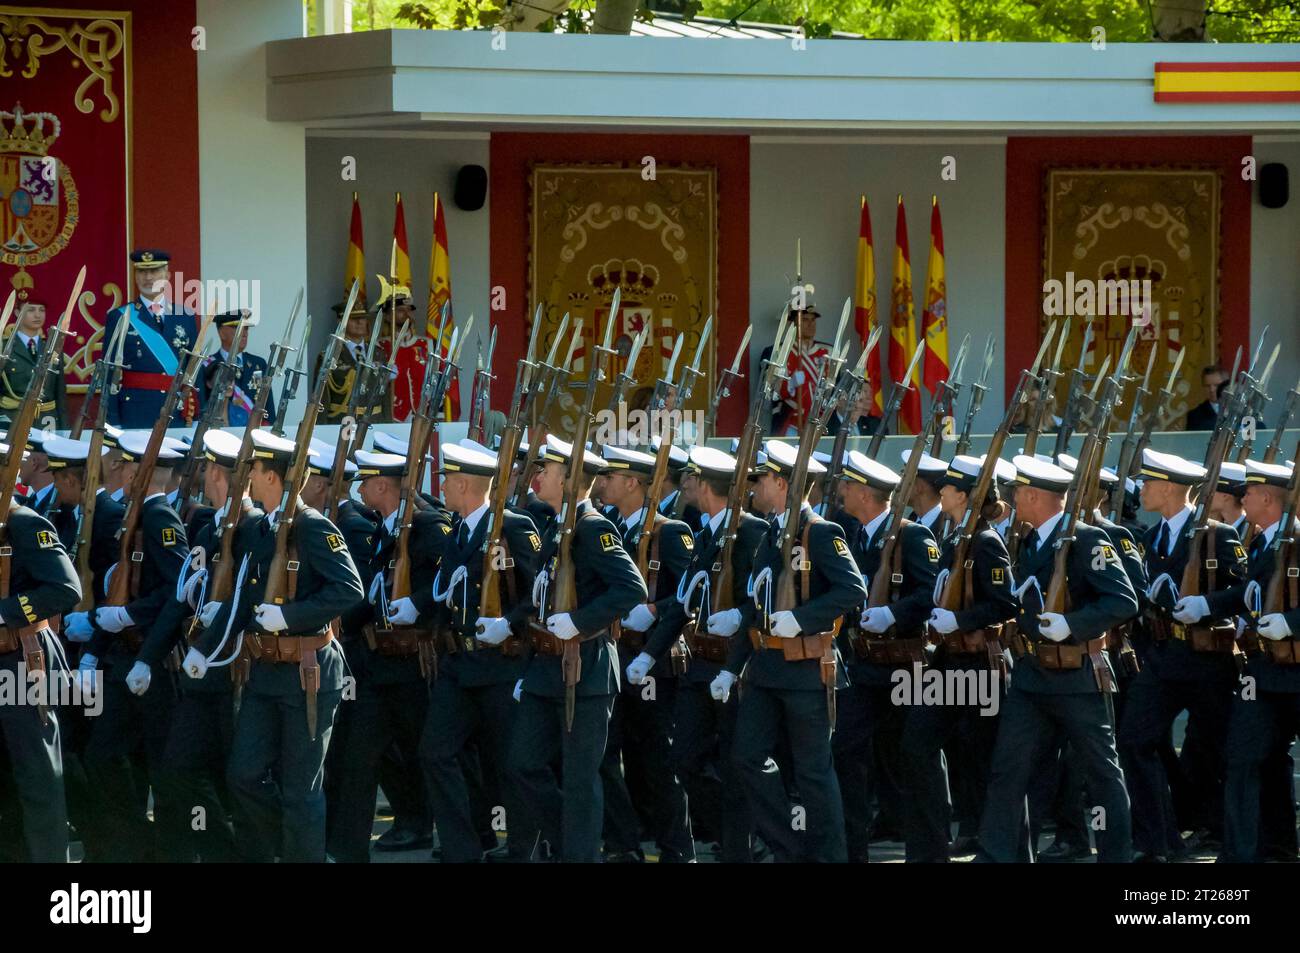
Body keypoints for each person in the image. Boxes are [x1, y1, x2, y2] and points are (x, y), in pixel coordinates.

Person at [184, 429, 364, 862]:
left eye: (255, 469)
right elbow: (243, 599)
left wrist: (292, 615)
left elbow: (350, 590)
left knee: (302, 791)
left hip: (308, 672)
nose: (246, 477)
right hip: (266, 673)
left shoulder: (313, 527)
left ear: (272, 477)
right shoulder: (264, 528)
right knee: (244, 774)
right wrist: (205, 647)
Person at [975, 455, 1138, 863]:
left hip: (1076, 676)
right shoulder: (1031, 540)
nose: (1012, 501)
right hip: (1032, 676)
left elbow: (1123, 600)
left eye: (1017, 493)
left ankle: (1116, 856)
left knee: (1102, 773)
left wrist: (1074, 625)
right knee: (1008, 767)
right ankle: (998, 855)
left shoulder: (1086, 540)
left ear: (1033, 495)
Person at [506, 436, 647, 863]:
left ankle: (581, 853)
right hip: (547, 669)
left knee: (582, 779)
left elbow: (631, 587)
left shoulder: (592, 526)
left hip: (586, 669)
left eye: (545, 472)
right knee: (522, 764)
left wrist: (583, 621)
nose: (536, 478)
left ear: (568, 480)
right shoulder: (555, 525)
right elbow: (543, 596)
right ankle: (569, 840)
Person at [727, 439, 867, 863]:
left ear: (783, 483)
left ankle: (829, 857)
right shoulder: (769, 532)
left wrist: (804, 618)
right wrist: (732, 669)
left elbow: (853, 589)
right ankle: (789, 847)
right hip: (767, 668)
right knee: (747, 757)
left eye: (761, 480)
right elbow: (756, 607)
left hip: (807, 669)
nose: (753, 488)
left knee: (813, 773)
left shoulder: (821, 532)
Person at [319, 443, 449, 863]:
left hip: (414, 666)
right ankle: (348, 851)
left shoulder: (428, 525)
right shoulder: (383, 527)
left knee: (431, 755)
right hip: (378, 665)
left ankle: (457, 836)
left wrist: (421, 603)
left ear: (381, 485)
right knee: (359, 756)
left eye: (364, 482)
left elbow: (459, 575)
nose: (358, 491)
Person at [1119, 447, 1248, 861]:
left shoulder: (1217, 534)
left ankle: (1225, 835)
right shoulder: (1149, 537)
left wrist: (1207, 606)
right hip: (1162, 657)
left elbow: (1249, 590)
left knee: (1217, 749)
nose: (1141, 489)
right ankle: (1156, 841)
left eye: (1149, 482)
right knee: (1135, 740)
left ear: (1170, 488)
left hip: (1208, 660)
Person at [139, 429, 259, 862]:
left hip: (236, 671)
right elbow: (182, 597)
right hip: (200, 674)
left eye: (209, 469)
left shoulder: (257, 529)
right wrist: (147, 658)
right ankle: (219, 850)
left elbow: (252, 598)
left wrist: (210, 635)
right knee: (177, 770)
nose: (204, 477)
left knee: (239, 777)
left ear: (221, 476)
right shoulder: (210, 527)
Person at [422, 441, 540, 862]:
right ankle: (462, 848)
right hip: (459, 662)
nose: (443, 488)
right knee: (435, 751)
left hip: (500, 664)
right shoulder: (458, 530)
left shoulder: (512, 526)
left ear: (464, 484)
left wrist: (510, 623)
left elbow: (538, 592)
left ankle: (525, 847)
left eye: (448, 481)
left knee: (510, 764)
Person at [76, 431, 190, 862]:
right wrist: (95, 647)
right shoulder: (133, 515)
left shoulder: (159, 518)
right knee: (104, 755)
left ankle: (169, 851)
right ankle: (133, 845)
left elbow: (183, 589)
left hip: (152, 660)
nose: (112, 467)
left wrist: (130, 618)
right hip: (123, 654)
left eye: (121, 462)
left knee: (161, 764)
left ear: (137, 471)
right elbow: (119, 587)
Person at [904, 454, 1017, 863]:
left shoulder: (986, 541)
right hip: (949, 661)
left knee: (982, 755)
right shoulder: (954, 537)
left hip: (979, 663)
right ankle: (930, 848)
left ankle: (995, 844)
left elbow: (1006, 604)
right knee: (918, 741)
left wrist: (960, 619)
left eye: (950, 488)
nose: (943, 492)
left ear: (965, 496)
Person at [666, 445, 775, 862]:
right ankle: (742, 831)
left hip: (734, 662)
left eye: (692, 478)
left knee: (735, 762)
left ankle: (740, 848)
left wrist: (738, 620)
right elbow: (684, 600)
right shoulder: (705, 531)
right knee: (684, 758)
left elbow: (760, 597)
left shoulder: (750, 532)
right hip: (700, 664)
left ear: (703, 484)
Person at [834, 449, 939, 862]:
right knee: (846, 751)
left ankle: (927, 852)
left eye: (848, 486)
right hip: (864, 664)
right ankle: (852, 849)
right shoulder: (854, 533)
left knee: (914, 757)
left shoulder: (912, 535)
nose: (842, 492)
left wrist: (893, 612)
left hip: (905, 665)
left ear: (866, 493)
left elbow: (932, 593)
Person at [597, 444, 696, 863]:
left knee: (657, 758)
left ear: (633, 482)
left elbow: (692, 594)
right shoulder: (610, 527)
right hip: (618, 656)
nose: (603, 483)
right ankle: (624, 841)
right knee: (607, 754)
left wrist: (654, 610)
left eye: (612, 477)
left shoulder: (669, 531)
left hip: (654, 661)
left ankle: (677, 848)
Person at [0, 434, 82, 862]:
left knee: (38, 777)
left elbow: (67, 589)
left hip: (23, 661)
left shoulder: (25, 522)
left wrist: (5, 611)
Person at [1221, 459, 1300, 863]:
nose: (1242, 499)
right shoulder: (1260, 541)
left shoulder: (1295, 539)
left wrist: (1289, 623)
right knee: (1248, 757)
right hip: (1262, 673)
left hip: (1297, 669)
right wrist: (1205, 604)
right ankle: (1248, 852)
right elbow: (1247, 594)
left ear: (1267, 497)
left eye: (1248, 493)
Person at [102, 249, 201, 428]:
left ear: (167, 275)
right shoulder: (120, 316)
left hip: (176, 412)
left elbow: (194, 367)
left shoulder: (185, 315)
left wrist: (197, 417)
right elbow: (109, 374)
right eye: (141, 271)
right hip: (136, 412)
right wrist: (113, 421)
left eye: (154, 271)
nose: (148, 277)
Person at [758, 304, 831, 436]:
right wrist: (791, 384)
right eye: (805, 320)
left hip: (817, 420)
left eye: (813, 320)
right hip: (789, 419)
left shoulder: (826, 352)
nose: (810, 324)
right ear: (794, 323)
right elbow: (769, 390)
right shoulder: (779, 352)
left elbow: (831, 388)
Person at [0, 290, 67, 430]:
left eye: (41, 310)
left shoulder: (53, 349)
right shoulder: (4, 348)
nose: (37, 315)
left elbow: (60, 393)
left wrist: (64, 428)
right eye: (31, 310)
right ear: (17, 313)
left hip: (47, 420)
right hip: (11, 418)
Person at [200, 309, 274, 428]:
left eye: (246, 328)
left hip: (253, 431)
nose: (244, 333)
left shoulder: (258, 364)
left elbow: (267, 404)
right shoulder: (207, 365)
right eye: (238, 328)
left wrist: (269, 429)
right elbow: (203, 403)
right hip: (220, 430)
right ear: (221, 333)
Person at [319, 301, 387, 424]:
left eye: (363, 318)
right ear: (341, 321)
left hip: (375, 421)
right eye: (353, 318)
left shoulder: (379, 353)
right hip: (342, 421)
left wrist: (388, 423)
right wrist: (321, 427)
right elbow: (322, 396)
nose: (360, 322)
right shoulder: (330, 356)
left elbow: (386, 394)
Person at [1185, 365, 1226, 431]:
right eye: (1207, 386)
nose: (1212, 390)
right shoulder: (1194, 415)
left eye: (1216, 385)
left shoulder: (1237, 412)